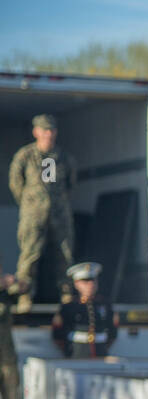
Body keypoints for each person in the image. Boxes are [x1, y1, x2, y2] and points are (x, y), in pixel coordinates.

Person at [9, 114, 77, 312]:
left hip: (59, 213)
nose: (49, 134)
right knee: (30, 254)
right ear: (36, 132)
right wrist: (30, 203)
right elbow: (15, 183)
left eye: (52, 130)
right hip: (33, 213)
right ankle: (25, 296)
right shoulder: (26, 156)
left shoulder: (63, 157)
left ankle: (66, 295)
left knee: (65, 253)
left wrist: (58, 202)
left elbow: (71, 184)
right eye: (45, 130)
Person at [51, 262, 118, 358]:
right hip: (77, 352)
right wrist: (68, 351)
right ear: (76, 284)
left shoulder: (105, 305)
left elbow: (112, 332)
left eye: (93, 280)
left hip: (100, 353)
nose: (91, 284)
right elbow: (58, 335)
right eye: (85, 281)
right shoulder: (69, 306)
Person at [0, 261, 20, 399]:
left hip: (6, 356)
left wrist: (12, 282)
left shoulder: (5, 292)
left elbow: (24, 287)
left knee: (10, 398)